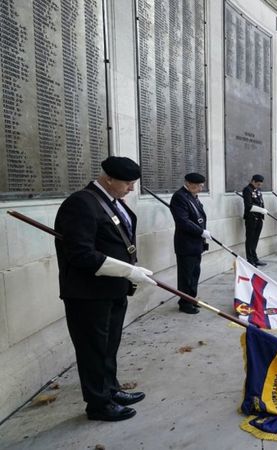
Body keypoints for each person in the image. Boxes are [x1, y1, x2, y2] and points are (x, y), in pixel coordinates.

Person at [54, 156, 154, 421]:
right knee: (93, 350)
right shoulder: (81, 203)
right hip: (88, 294)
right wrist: (126, 270)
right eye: (127, 183)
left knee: (109, 346)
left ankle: (110, 390)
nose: (131, 189)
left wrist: (127, 273)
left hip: (113, 290)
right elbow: (80, 254)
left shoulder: (112, 203)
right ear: (108, 179)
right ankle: (98, 405)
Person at [170, 173, 209, 314]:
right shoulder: (180, 197)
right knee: (186, 276)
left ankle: (191, 299)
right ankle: (185, 303)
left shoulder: (192, 196)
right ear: (189, 183)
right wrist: (200, 231)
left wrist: (202, 234)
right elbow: (183, 221)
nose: (201, 188)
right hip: (186, 243)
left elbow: (198, 217)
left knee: (194, 273)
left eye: (201, 186)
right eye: (199, 186)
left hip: (196, 243)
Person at [242, 175, 266, 266]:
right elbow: (248, 206)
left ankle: (255, 257)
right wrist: (261, 210)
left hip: (259, 218)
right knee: (250, 239)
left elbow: (260, 202)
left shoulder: (258, 190)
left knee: (255, 239)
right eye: (258, 184)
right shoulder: (247, 190)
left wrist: (262, 211)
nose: (259, 186)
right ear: (253, 181)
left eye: (260, 185)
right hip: (251, 218)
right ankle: (250, 259)